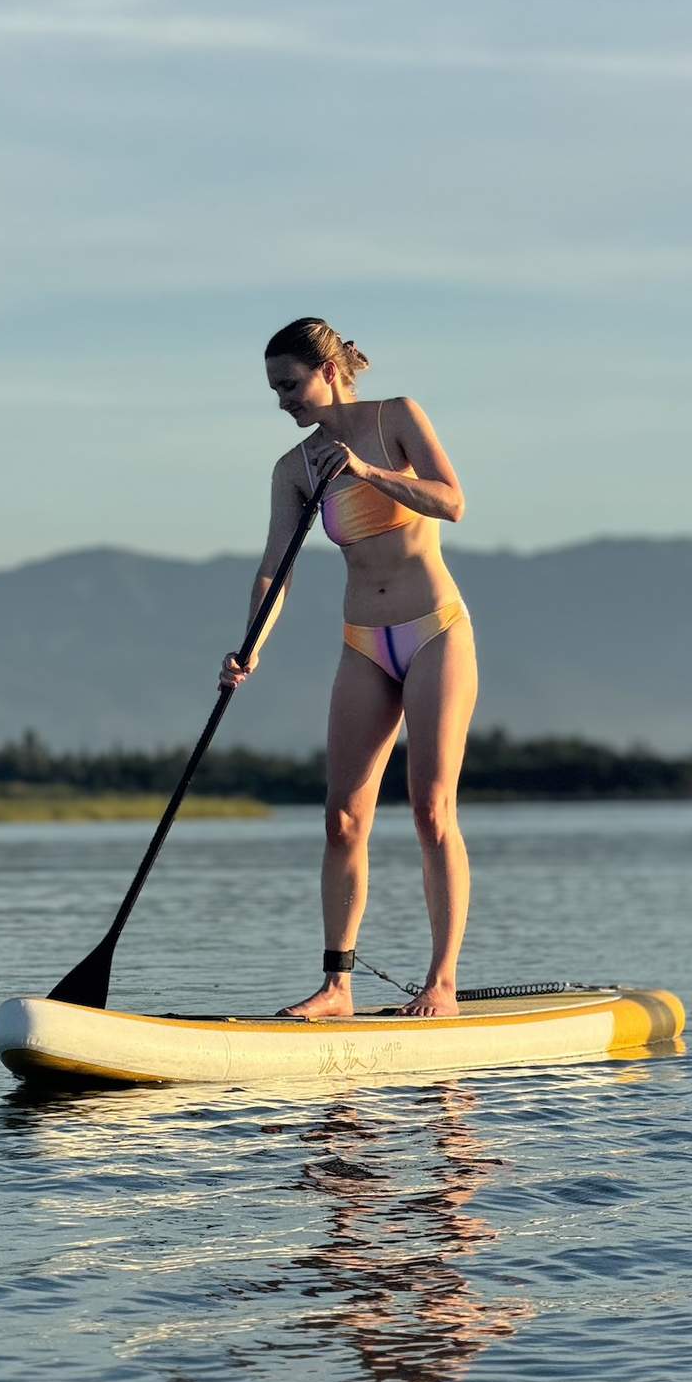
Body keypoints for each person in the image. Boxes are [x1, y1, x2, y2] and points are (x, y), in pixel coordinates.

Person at [219, 317, 478, 1018]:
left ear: (327, 371)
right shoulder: (294, 469)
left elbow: (452, 502)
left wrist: (365, 471)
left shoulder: (396, 418)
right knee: (341, 819)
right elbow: (275, 571)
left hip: (434, 632)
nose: (282, 401)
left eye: (289, 385)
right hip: (363, 639)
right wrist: (251, 646)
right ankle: (337, 986)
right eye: (273, 390)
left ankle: (442, 984)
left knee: (430, 810)